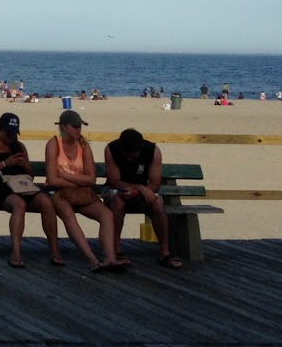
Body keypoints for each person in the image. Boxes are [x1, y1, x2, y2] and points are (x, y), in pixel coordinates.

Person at [44, 108, 124, 272]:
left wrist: (65, 175)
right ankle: (92, 259)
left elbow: (91, 179)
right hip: (59, 193)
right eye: (75, 126)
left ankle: (110, 257)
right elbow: (52, 180)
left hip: (81, 193)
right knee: (69, 216)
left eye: (80, 126)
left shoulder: (84, 145)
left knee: (107, 215)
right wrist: (78, 182)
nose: (78, 130)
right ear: (64, 126)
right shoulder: (53, 144)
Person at [0, 112, 60, 268]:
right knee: (19, 204)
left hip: (21, 186)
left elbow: (31, 175)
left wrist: (25, 165)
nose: (10, 137)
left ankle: (55, 251)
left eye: (14, 133)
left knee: (46, 202)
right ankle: (16, 252)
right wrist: (5, 164)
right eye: (8, 133)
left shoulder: (19, 146)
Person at [104, 128, 182, 269]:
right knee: (117, 201)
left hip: (144, 190)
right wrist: (139, 188)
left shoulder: (153, 151)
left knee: (157, 203)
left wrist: (140, 191)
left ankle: (165, 252)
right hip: (119, 189)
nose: (129, 158)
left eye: (132, 155)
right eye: (126, 154)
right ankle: (117, 248)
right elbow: (113, 181)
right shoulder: (111, 149)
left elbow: (155, 183)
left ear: (139, 149)